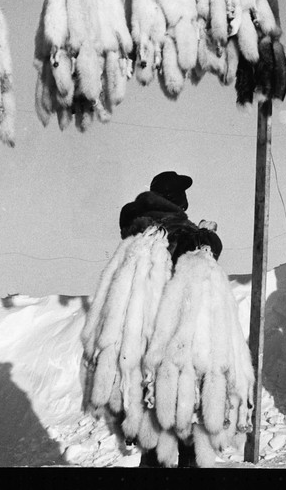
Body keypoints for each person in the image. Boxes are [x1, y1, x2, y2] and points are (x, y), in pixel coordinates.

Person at [117, 170, 222, 468]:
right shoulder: (182, 232)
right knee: (185, 424)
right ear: (174, 199)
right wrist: (207, 239)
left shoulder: (136, 235)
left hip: (141, 342)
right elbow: (193, 279)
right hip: (177, 343)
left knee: (154, 430)